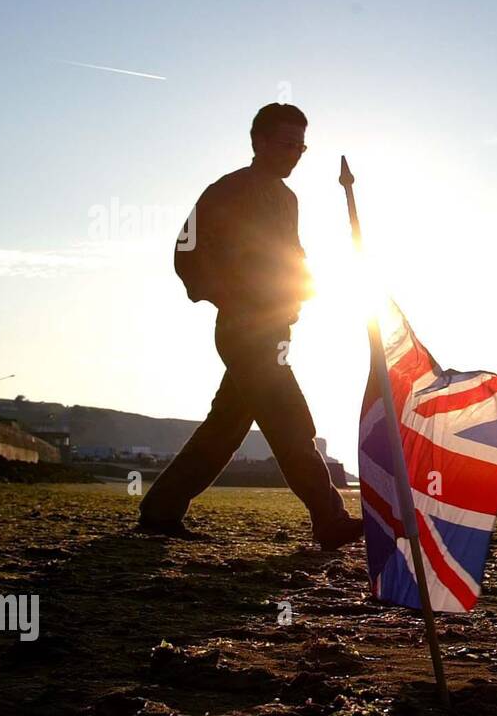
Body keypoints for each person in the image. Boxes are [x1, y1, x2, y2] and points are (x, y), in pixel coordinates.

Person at [137, 103, 363, 551]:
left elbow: (291, 257)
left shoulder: (288, 200)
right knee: (290, 419)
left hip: (275, 330)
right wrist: (229, 295)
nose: (295, 154)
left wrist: (301, 291)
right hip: (244, 331)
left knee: (224, 429)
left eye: (301, 145)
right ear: (257, 142)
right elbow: (186, 251)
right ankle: (329, 518)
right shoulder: (228, 190)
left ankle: (160, 510)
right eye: (285, 143)